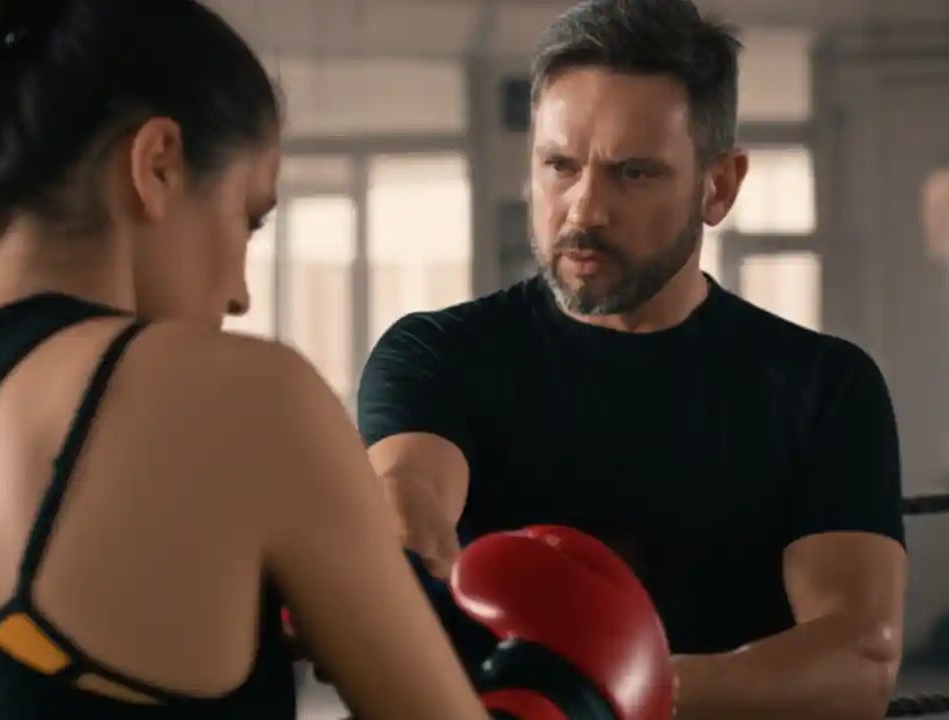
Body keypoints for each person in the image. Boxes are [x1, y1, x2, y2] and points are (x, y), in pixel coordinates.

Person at [0, 2, 676, 719]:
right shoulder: (243, 398)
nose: (242, 292)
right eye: (248, 219)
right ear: (158, 163)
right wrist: (570, 695)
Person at [359, 1, 909, 718]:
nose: (585, 209)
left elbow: (859, 659)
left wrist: (615, 690)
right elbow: (412, 494)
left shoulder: (823, 388)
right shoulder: (436, 356)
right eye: (559, 165)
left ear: (719, 185)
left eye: (634, 174)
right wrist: (399, 557)